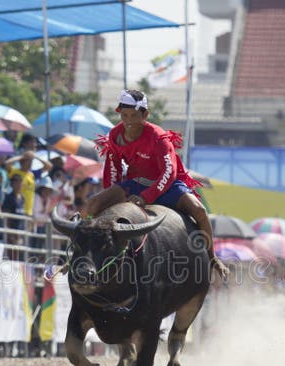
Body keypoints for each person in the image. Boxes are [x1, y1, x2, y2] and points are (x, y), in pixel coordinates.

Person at [89, 89, 228, 278]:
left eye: (134, 116)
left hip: (168, 185)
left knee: (199, 210)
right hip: (135, 183)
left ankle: (212, 258)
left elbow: (168, 173)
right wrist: (111, 199)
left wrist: (146, 198)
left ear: (145, 115)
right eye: (124, 115)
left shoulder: (159, 137)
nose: (128, 121)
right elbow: (112, 170)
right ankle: (80, 254)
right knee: (93, 205)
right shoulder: (115, 135)